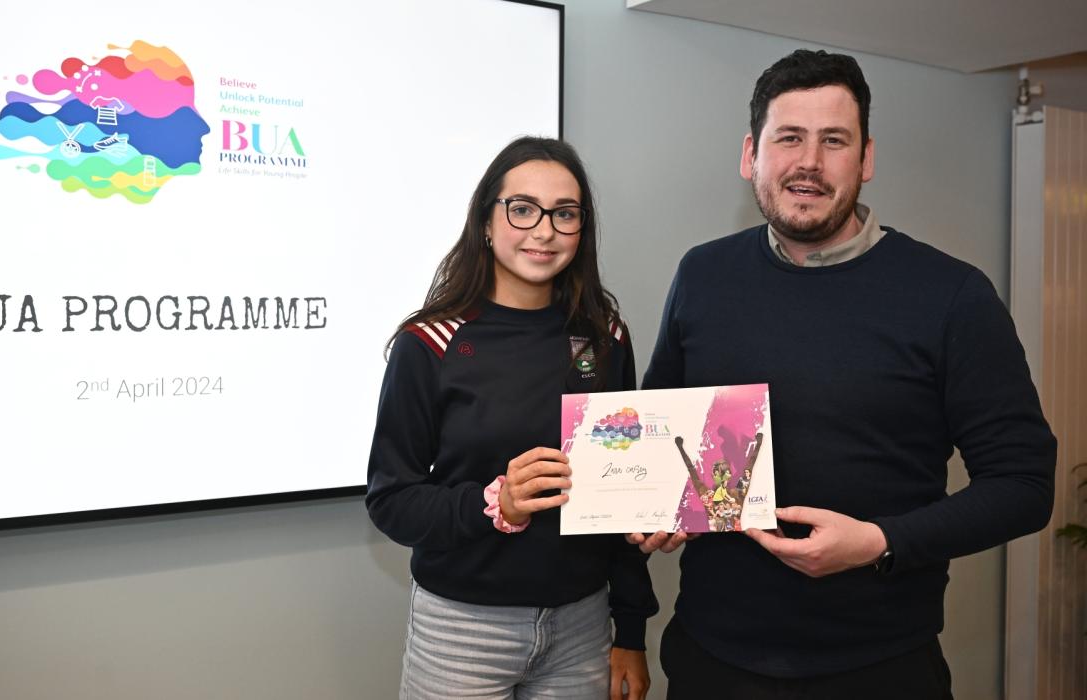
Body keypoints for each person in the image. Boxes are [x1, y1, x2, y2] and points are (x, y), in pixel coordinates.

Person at [632, 49, 1056, 699]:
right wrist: (657, 500)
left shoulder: (952, 295)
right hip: (709, 659)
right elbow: (664, 432)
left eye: (834, 141)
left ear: (866, 160)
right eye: (789, 138)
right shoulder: (704, 274)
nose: (809, 161)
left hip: (879, 667)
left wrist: (880, 542)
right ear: (752, 154)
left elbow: (1025, 483)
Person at [367, 136, 657, 699]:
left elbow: (622, 499)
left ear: (583, 228)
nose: (544, 230)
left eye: (565, 214)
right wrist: (492, 504)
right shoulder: (428, 342)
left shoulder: (606, 337)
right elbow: (390, 500)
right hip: (462, 628)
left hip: (582, 626)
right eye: (522, 209)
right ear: (485, 220)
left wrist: (633, 630)